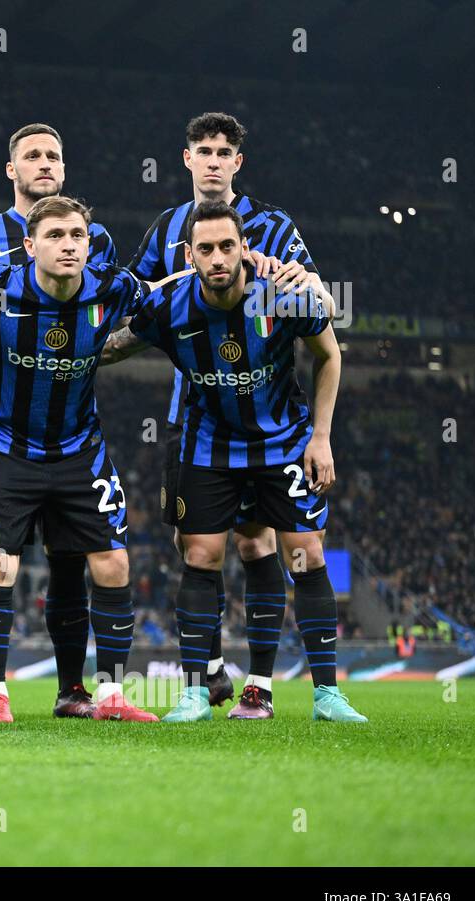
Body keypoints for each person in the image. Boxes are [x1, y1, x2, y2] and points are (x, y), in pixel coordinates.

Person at [103, 200, 365, 722]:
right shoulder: (169, 305)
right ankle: (196, 693)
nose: (218, 257)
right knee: (200, 556)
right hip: (209, 445)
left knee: (306, 555)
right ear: (189, 255)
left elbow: (329, 353)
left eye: (227, 246)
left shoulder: (281, 296)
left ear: (245, 248)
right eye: (206, 249)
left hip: (283, 441)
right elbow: (114, 345)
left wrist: (321, 437)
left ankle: (327, 695)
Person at [0, 195, 160, 723]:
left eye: (77, 235)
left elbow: (172, 295)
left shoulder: (112, 285)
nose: (68, 245)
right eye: (55, 236)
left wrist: (256, 271)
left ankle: (110, 694)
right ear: (30, 246)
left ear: (90, 243)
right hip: (6, 449)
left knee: (113, 562)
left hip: (80, 450)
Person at [128, 112, 324, 715]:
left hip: (266, 418)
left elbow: (318, 300)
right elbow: (132, 303)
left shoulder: (275, 226)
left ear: (237, 162)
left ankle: (258, 685)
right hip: (195, 413)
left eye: (223, 152)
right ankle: (210, 671)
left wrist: (303, 280)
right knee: (194, 545)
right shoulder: (166, 230)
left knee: (257, 542)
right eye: (203, 151)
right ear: (186, 159)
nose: (213, 161)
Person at [0, 123, 117, 717]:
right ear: (10, 169)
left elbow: (117, 316)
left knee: (71, 564)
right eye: (32, 155)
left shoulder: (98, 241)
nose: (44, 163)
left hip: (74, 432)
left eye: (54, 156)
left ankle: (74, 690)